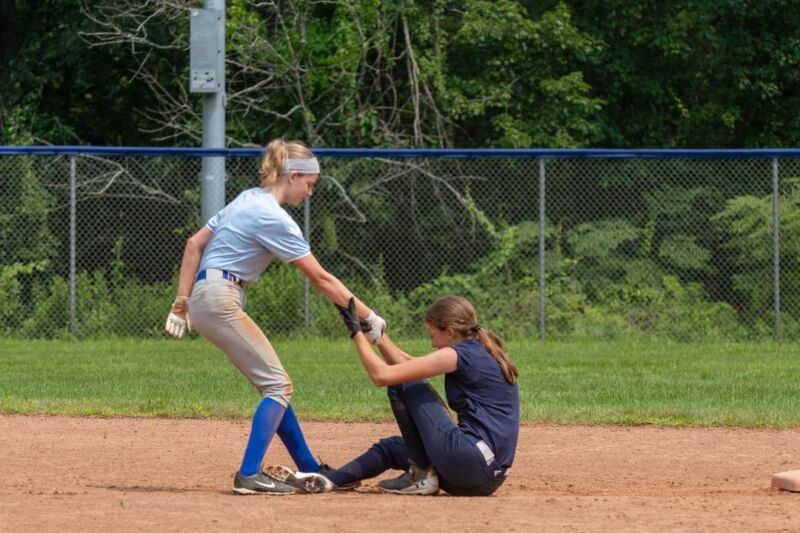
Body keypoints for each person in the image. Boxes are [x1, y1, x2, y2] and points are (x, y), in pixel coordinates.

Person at [164, 138, 385, 495]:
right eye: (309, 184)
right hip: (221, 298)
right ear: (293, 175)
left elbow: (194, 244)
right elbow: (321, 278)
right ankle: (249, 474)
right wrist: (368, 315)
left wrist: (181, 302)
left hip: (207, 297)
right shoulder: (274, 217)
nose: (310, 193)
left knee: (274, 385)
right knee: (278, 386)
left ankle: (310, 468)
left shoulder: (247, 198)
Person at [282, 294, 519, 496]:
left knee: (400, 382)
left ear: (449, 331)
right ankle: (331, 479)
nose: (433, 343)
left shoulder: (461, 354)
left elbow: (383, 375)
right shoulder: (476, 349)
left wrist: (355, 333)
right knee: (391, 448)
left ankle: (420, 475)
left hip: (470, 461)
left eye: (432, 334)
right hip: (484, 478)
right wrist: (379, 338)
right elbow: (412, 365)